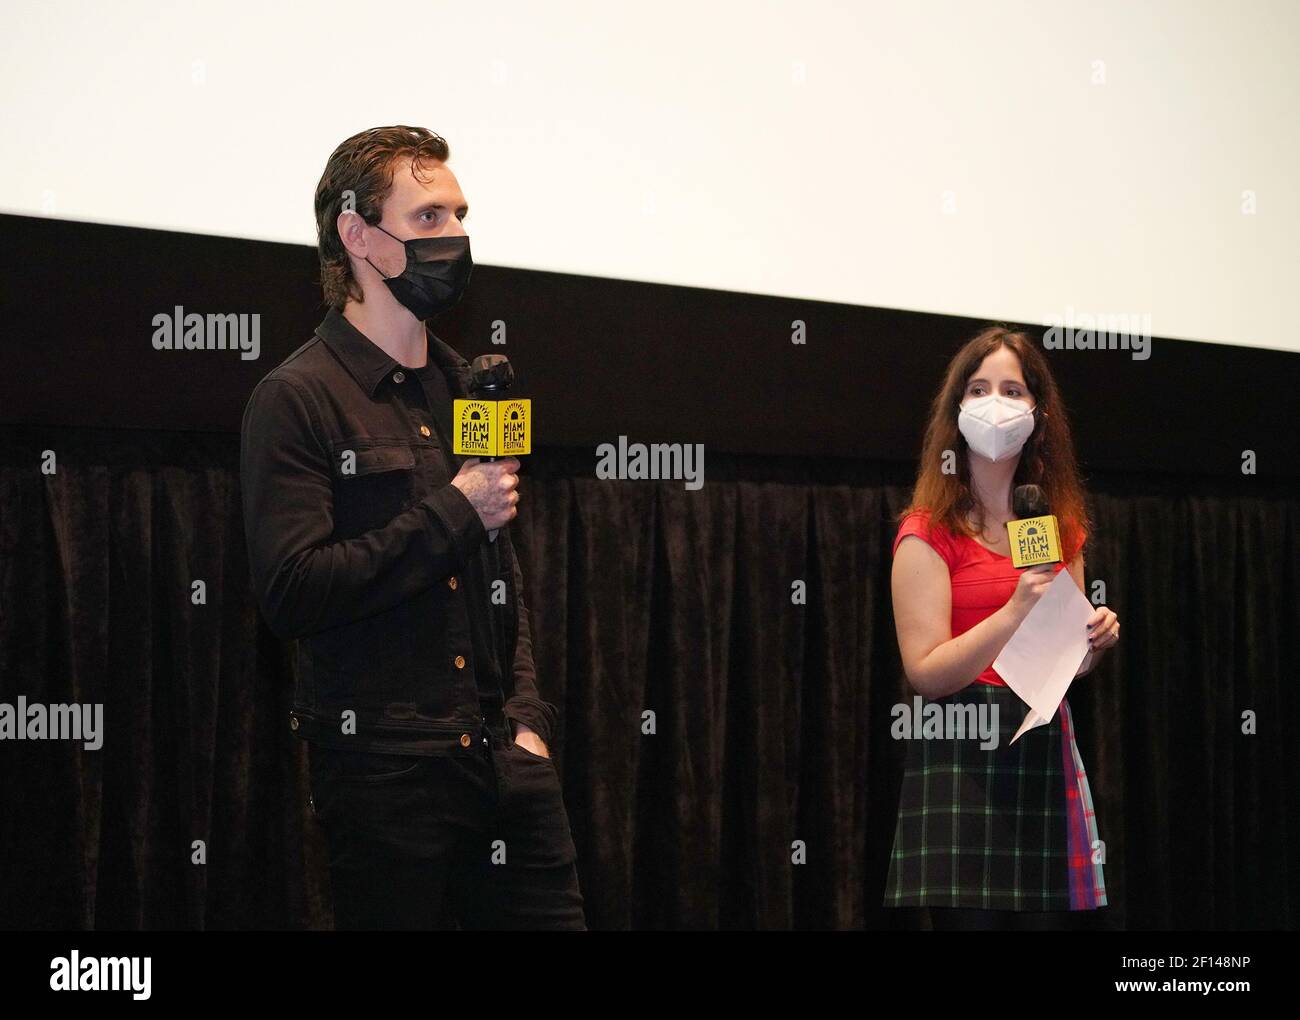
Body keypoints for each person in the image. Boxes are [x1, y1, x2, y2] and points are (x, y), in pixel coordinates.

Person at [239, 125, 585, 929]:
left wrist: (528, 727)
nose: (456, 235)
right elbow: (293, 592)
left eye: (461, 214)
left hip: (507, 767)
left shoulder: (471, 387)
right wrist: (453, 512)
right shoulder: (296, 399)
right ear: (358, 234)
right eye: (429, 218)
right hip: (386, 778)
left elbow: (504, 573)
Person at [883, 325, 1118, 931]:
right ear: (957, 409)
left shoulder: (1049, 525)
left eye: (1012, 390)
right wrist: (1013, 610)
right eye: (980, 388)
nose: (996, 403)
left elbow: (1063, 659)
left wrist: (1091, 643)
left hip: (1036, 740)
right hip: (960, 749)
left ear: (1037, 413)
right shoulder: (929, 529)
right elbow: (925, 672)